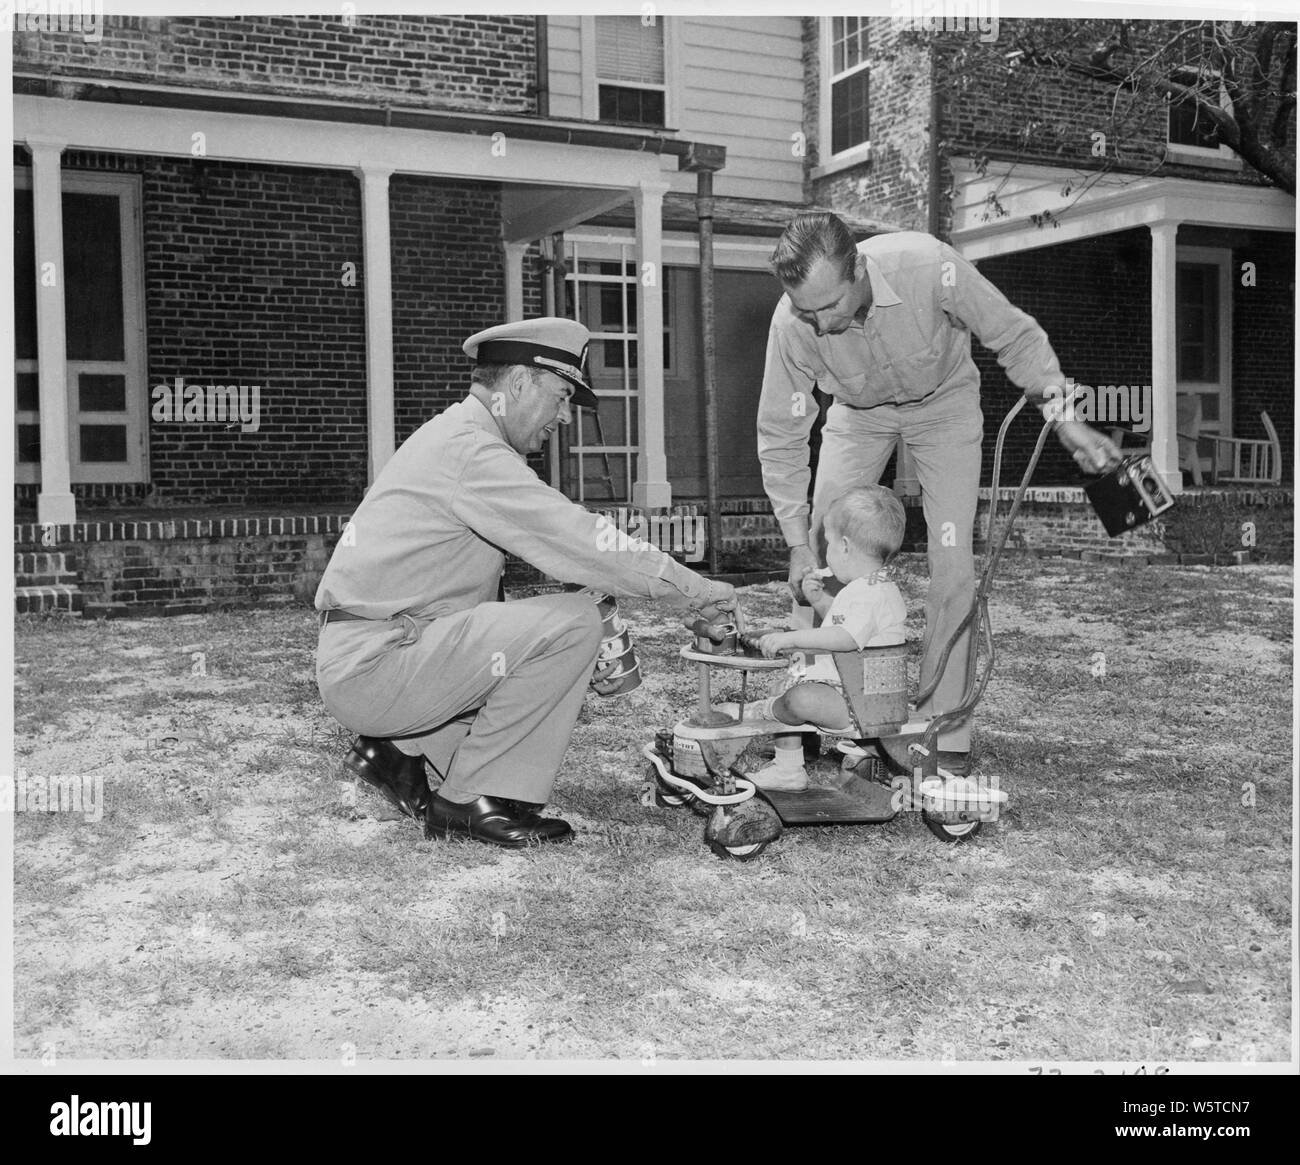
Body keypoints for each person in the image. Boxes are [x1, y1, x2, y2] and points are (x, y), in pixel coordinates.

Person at [315, 317, 736, 849]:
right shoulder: (473, 452)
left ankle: (401, 752)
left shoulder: (459, 437)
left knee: (571, 622)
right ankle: (469, 799)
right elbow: (578, 541)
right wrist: (695, 591)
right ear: (518, 385)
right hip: (377, 665)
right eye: (560, 395)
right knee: (575, 621)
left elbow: (465, 598)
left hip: (384, 652)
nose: (563, 416)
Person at [756, 213, 1120, 774]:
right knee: (819, 565)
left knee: (953, 567)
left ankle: (939, 732)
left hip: (943, 406)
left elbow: (1014, 334)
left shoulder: (929, 266)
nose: (821, 323)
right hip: (857, 416)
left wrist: (1065, 418)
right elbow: (781, 433)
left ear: (859, 268)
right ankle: (815, 716)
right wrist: (796, 543)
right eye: (808, 309)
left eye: (830, 305)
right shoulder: (792, 323)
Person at [724, 485, 908, 791]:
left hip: (862, 704)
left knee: (799, 698)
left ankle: (771, 728)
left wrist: (791, 639)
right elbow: (844, 622)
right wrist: (819, 599)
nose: (828, 551)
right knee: (793, 678)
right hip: (858, 691)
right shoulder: (870, 586)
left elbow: (845, 637)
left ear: (846, 546)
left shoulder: (871, 594)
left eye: (830, 543)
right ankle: (787, 757)